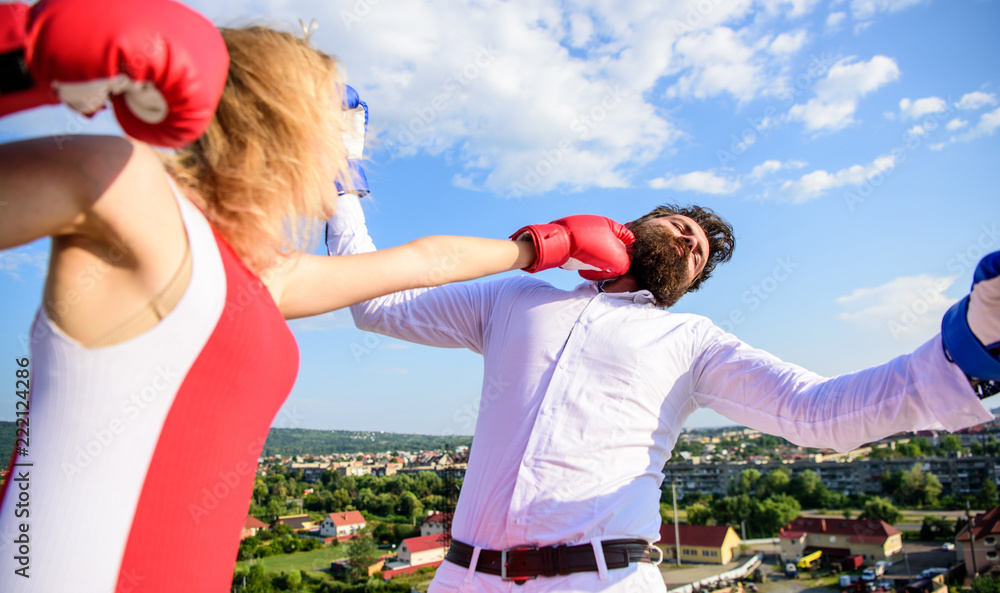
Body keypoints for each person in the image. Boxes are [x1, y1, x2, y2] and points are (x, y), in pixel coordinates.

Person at [0, 0, 633, 593]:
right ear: (268, 118)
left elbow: (424, 262)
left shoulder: (259, 276)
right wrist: (24, 59)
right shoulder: (131, 193)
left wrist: (546, 244)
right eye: (330, 124)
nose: (351, 145)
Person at [327, 190, 1000, 591]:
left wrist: (968, 353)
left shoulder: (692, 341)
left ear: (688, 284)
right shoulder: (515, 296)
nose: (688, 238)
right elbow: (374, 303)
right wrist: (343, 185)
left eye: (700, 250)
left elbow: (815, 410)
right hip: (461, 576)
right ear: (625, 228)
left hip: (600, 580)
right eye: (679, 224)